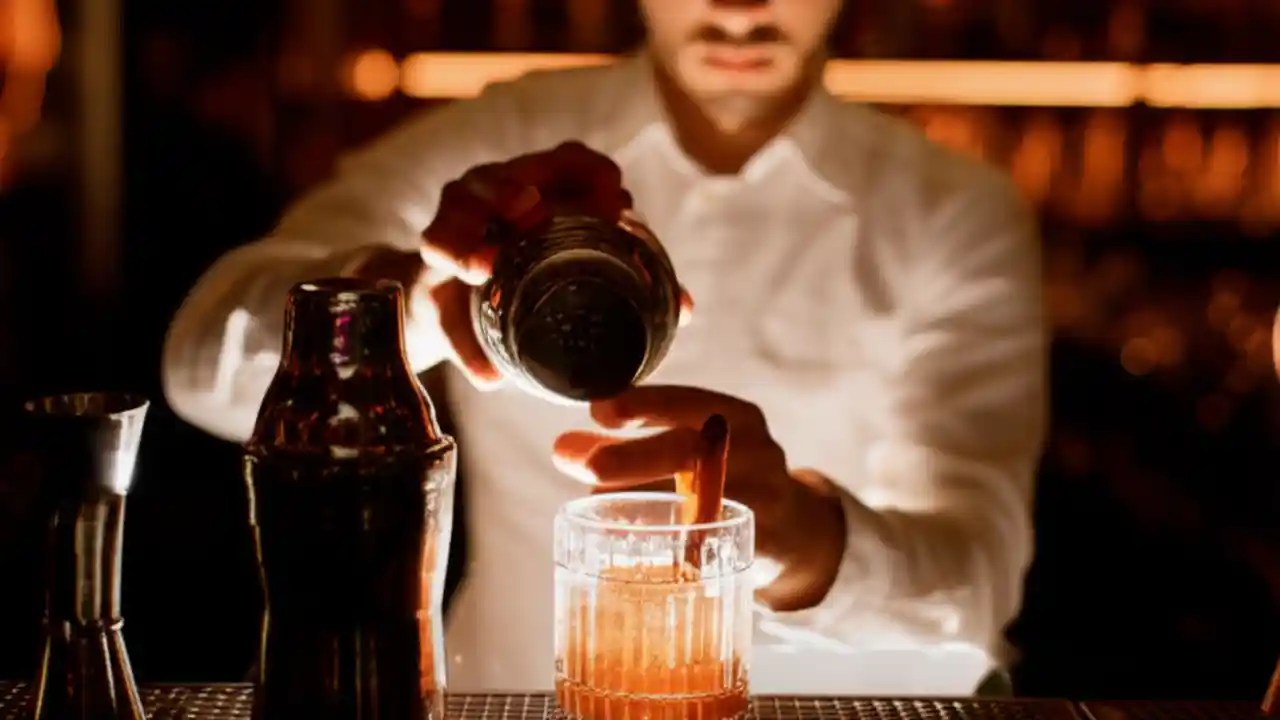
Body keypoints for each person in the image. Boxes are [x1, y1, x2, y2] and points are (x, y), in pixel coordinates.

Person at [162, 0, 1046, 693]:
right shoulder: (499, 139)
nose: (739, 8)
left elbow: (981, 579)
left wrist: (808, 542)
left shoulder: (950, 213)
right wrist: (419, 305)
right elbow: (201, 368)